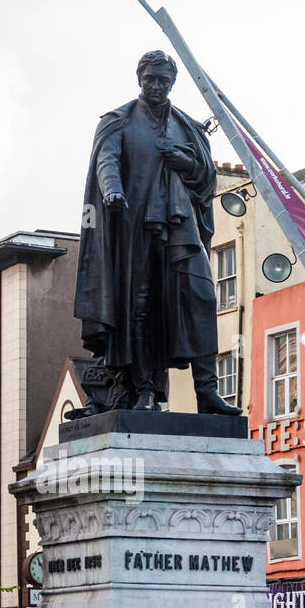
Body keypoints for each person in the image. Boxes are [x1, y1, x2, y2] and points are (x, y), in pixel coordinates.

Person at [74, 50, 242, 415]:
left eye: (163, 80)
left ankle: (207, 391)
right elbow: (106, 161)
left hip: (180, 227)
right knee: (140, 307)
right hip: (134, 229)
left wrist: (187, 163)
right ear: (139, 78)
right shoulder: (118, 120)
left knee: (201, 298)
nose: (156, 85)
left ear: (172, 82)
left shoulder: (187, 126)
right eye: (150, 78)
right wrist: (112, 189)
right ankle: (146, 389)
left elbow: (207, 180)